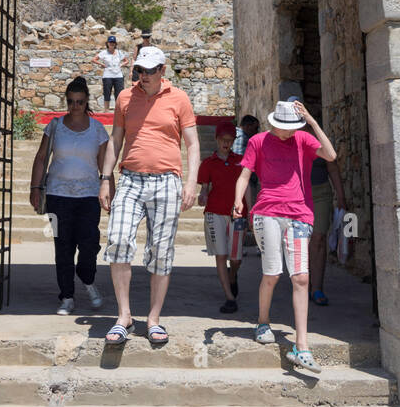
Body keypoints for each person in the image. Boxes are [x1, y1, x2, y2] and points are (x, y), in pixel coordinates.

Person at [99, 46, 200, 345]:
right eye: (140, 71)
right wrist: (105, 179)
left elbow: (193, 144)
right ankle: (124, 317)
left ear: (162, 71)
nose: (143, 76)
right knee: (117, 240)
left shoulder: (179, 99)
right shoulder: (125, 97)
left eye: (149, 71)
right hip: (130, 179)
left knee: (161, 250)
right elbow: (115, 140)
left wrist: (191, 182)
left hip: (167, 181)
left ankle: (153, 319)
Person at [232, 99, 338, 374]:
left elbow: (331, 155)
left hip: (300, 214)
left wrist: (313, 122)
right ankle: (263, 321)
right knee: (272, 274)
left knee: (301, 277)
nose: (288, 132)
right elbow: (244, 175)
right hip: (267, 213)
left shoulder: (303, 138)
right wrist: (238, 201)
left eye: (293, 127)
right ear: (273, 125)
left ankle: (302, 346)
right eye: (284, 128)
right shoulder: (258, 142)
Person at [29, 76, 110, 315]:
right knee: (62, 247)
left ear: (87, 102)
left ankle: (87, 278)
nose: (76, 106)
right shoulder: (54, 126)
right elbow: (41, 158)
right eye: (72, 101)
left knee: (89, 244)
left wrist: (109, 191)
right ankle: (66, 296)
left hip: (89, 197)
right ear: (67, 102)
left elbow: (104, 165)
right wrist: (35, 188)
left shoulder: (97, 129)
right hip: (57, 196)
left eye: (80, 102)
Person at [198, 120, 247, 313]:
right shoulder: (208, 163)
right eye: (223, 140)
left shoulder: (241, 161)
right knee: (221, 255)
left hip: (237, 213)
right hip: (214, 212)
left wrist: (249, 209)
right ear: (217, 140)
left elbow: (247, 189)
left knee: (236, 257)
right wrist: (202, 196)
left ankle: (233, 275)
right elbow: (204, 188)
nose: (226, 143)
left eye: (230, 140)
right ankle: (229, 297)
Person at [309, 153, 346, 306]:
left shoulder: (320, 137)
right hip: (296, 193)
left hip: (321, 194)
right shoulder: (288, 133)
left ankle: (317, 288)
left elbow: (332, 168)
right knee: (301, 241)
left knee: (318, 238)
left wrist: (341, 197)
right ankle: (303, 283)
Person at [231, 115, 261, 253]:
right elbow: (244, 163)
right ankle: (247, 246)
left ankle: (236, 245)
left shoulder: (232, 135)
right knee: (248, 213)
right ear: (248, 126)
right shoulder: (244, 139)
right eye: (255, 129)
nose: (256, 132)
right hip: (245, 182)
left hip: (232, 181)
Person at [96, 34, 128, 110]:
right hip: (107, 75)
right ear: (107, 43)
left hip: (118, 76)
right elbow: (94, 59)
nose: (112, 44)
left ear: (115, 44)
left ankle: (118, 111)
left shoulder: (119, 52)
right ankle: (106, 110)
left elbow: (126, 61)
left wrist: (121, 65)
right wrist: (102, 64)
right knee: (107, 93)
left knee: (119, 94)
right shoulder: (104, 52)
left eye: (113, 42)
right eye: (110, 42)